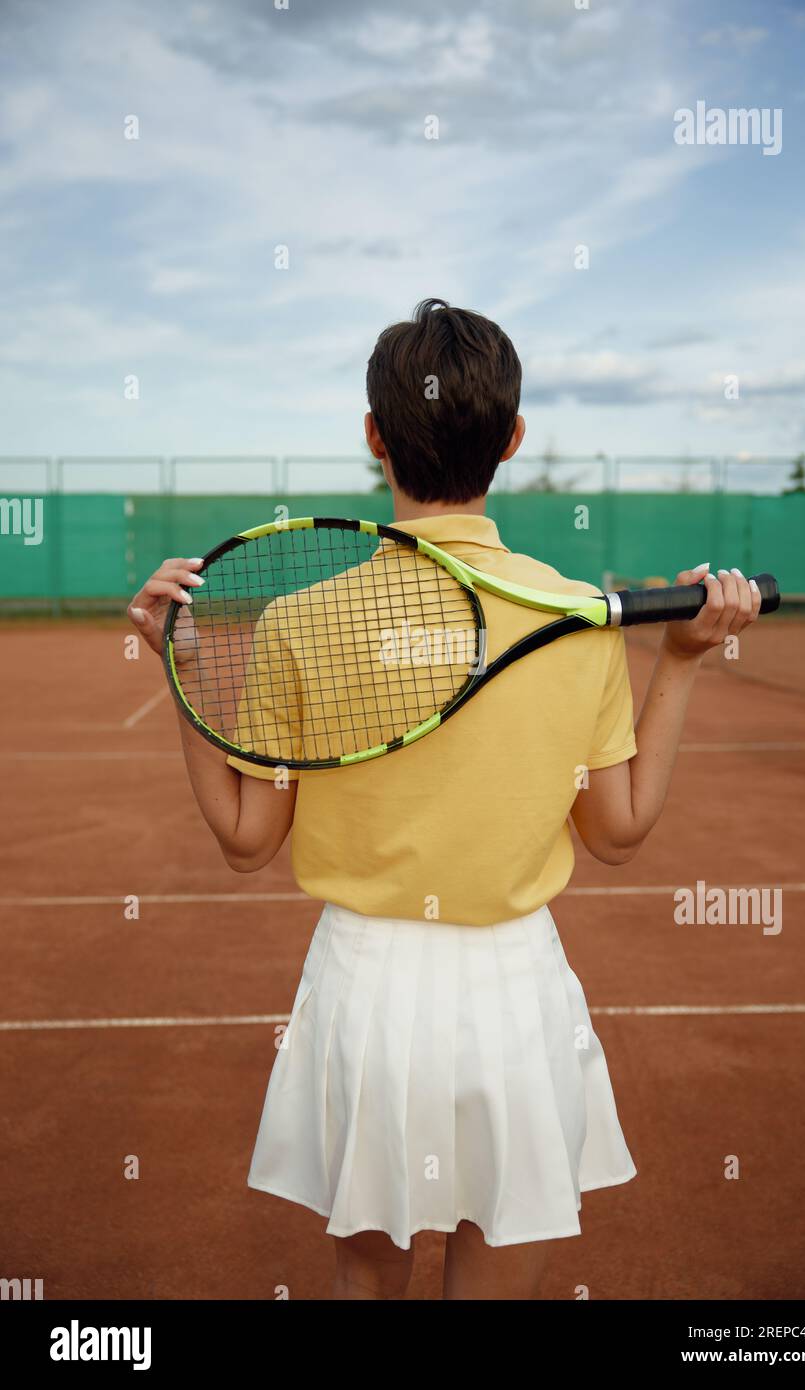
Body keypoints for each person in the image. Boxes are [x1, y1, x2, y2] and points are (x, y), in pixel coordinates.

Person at [128, 298, 762, 1300]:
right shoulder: (576, 621)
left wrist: (182, 664)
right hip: (516, 996)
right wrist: (680, 662)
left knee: (365, 1283)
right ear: (512, 439)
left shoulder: (299, 623)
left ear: (373, 437)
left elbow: (247, 840)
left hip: (359, 991)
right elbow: (619, 833)